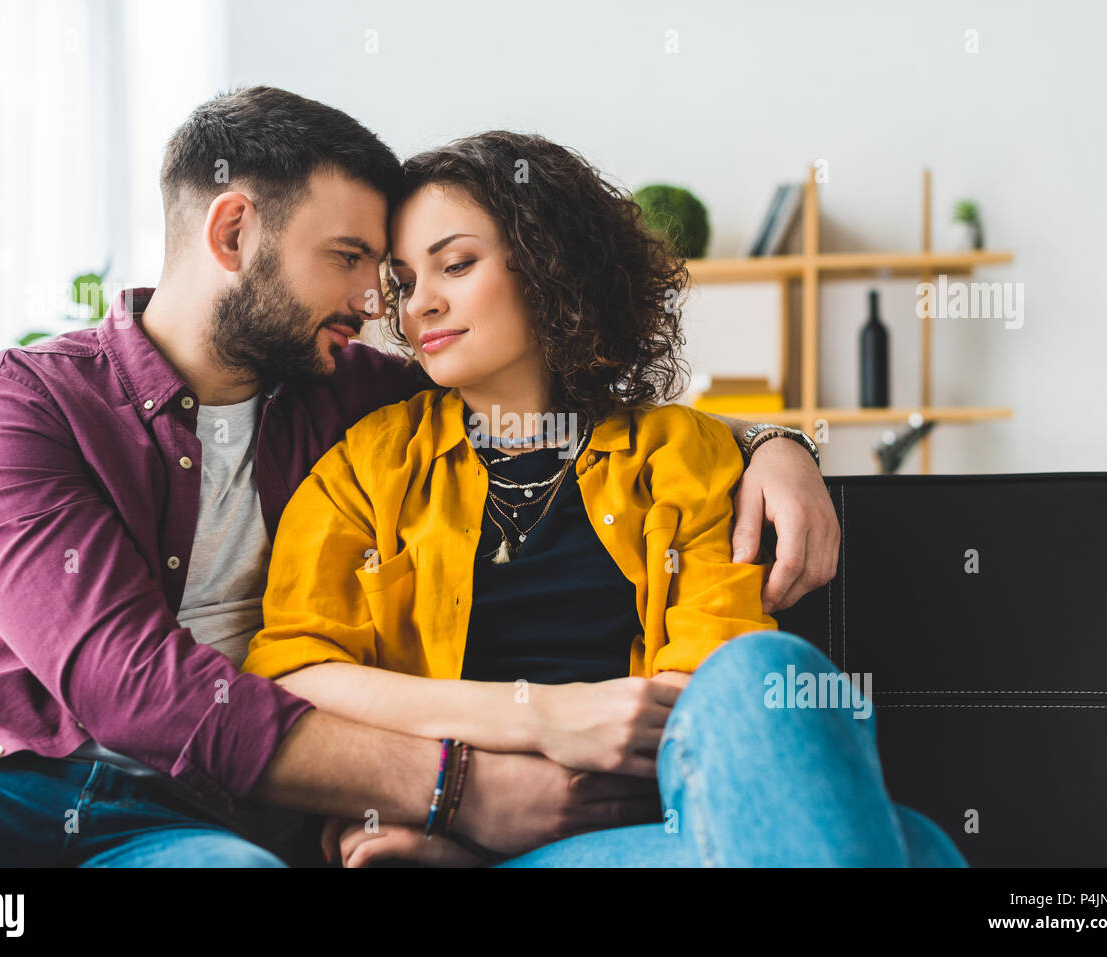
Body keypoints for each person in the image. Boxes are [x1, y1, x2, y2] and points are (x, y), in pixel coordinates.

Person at [0, 87, 841, 867]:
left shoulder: (351, 390)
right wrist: (459, 783)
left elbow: (570, 406)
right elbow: (127, 683)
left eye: (399, 270)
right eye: (352, 261)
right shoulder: (24, 399)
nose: (380, 303)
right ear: (232, 233)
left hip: (187, 817)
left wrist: (775, 444)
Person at [241, 131, 966, 868]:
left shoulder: (677, 452)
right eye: (403, 281)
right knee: (917, 848)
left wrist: (781, 440)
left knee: (768, 672)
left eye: (456, 264)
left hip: (661, 822)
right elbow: (291, 676)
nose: (419, 304)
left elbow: (706, 691)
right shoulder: (364, 468)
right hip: (476, 814)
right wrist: (522, 745)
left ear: (550, 266)